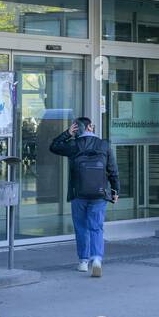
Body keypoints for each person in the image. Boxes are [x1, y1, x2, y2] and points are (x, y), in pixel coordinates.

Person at [49, 117, 118, 277]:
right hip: (100, 194)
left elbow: (54, 146)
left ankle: (83, 261)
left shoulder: (74, 145)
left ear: (77, 129)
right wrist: (115, 190)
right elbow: (113, 170)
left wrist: (66, 133)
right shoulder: (104, 145)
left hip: (78, 193)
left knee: (81, 228)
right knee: (96, 227)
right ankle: (97, 260)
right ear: (91, 127)